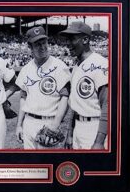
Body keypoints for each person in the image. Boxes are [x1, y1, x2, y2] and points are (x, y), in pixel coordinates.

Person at [15, 26, 71, 149]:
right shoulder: (25, 69)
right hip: (28, 122)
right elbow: (23, 98)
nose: (42, 47)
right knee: (30, 166)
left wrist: (55, 125)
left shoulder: (59, 66)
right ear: (30, 47)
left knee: (48, 164)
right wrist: (19, 125)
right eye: (37, 44)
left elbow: (65, 97)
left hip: (49, 122)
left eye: (44, 42)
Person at [60, 21, 108, 149]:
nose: (68, 44)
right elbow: (75, 106)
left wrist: (99, 141)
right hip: (78, 128)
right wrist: (70, 133)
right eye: (67, 39)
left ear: (85, 39)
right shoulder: (76, 66)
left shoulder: (100, 64)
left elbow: (107, 106)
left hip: (95, 127)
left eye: (72, 39)